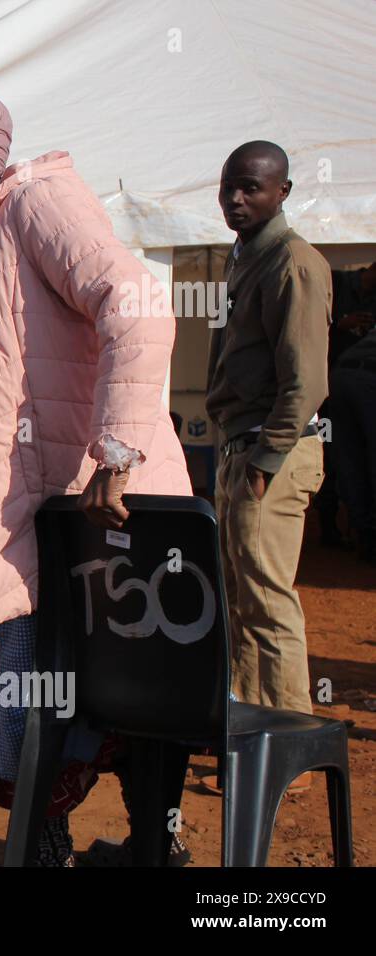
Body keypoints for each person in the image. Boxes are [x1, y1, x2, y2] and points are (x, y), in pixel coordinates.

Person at [0, 88, 192, 863]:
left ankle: (153, 848)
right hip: (68, 520)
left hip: (118, 514)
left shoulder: (36, 203)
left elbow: (138, 303)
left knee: (132, 695)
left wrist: (116, 454)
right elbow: (27, 387)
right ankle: (51, 841)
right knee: (61, 690)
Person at [208, 141, 330, 749]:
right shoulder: (244, 257)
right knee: (239, 602)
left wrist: (265, 462)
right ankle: (254, 736)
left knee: (268, 605)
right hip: (241, 449)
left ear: (282, 191)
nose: (236, 198)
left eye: (251, 187)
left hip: (270, 455)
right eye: (230, 185)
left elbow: (306, 382)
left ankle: (292, 746)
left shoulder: (293, 262)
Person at [323, 263, 376, 557]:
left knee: (348, 458)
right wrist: (339, 323)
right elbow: (305, 321)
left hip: (341, 380)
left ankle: (363, 534)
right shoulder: (335, 281)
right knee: (337, 455)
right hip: (336, 384)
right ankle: (354, 532)